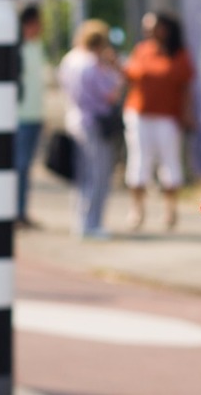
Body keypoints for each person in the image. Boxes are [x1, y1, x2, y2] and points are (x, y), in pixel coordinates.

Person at [122, 10, 196, 233]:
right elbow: (130, 76)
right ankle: (137, 209)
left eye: (152, 27)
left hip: (167, 116)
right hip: (140, 115)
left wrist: (187, 114)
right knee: (139, 160)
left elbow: (186, 89)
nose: (147, 32)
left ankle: (170, 210)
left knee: (169, 162)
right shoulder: (142, 50)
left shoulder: (179, 55)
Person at [58, 19, 124, 240]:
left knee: (82, 174)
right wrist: (115, 72)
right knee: (98, 174)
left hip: (75, 119)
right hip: (96, 122)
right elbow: (111, 94)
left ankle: (80, 220)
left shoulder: (69, 59)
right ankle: (91, 224)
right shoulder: (92, 65)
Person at [13, 3, 48, 230]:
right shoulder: (15, 50)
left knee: (26, 168)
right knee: (19, 166)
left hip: (34, 116)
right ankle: (15, 212)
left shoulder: (36, 48)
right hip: (20, 117)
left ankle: (22, 211)